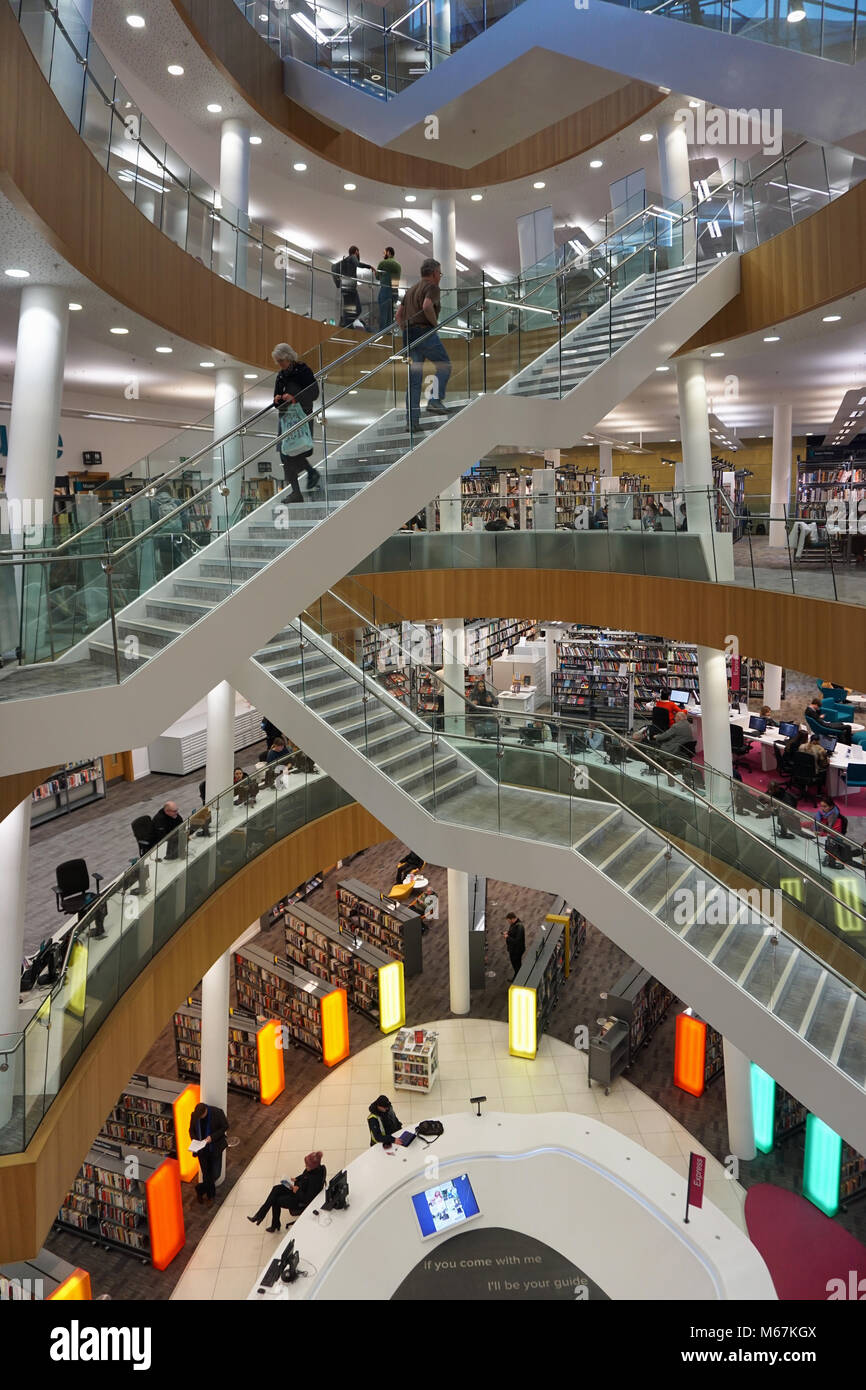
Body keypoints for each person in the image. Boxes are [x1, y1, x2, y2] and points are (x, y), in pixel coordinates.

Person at [396, 257, 451, 430]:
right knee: (444, 365)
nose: (440, 276)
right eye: (439, 273)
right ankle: (434, 400)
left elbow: (399, 315)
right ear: (434, 273)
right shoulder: (432, 287)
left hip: (409, 336)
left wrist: (406, 329)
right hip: (424, 332)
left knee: (414, 381)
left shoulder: (411, 290)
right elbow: (427, 306)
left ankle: (412, 422)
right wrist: (435, 325)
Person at [272, 343, 320, 499]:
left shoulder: (303, 371)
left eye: (281, 361)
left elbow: (314, 393)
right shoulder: (280, 376)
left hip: (301, 416)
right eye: (278, 361)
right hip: (286, 418)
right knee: (284, 453)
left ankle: (306, 480)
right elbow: (277, 402)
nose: (280, 364)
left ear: (289, 358)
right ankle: (299, 487)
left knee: (295, 450)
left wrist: (295, 398)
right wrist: (278, 399)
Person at [247, 1151, 326, 1233]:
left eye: (307, 1165)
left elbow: (307, 1199)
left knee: (276, 1201)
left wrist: (297, 1190)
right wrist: (296, 1179)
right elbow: (304, 1175)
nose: (305, 1166)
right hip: (297, 1188)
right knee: (276, 1189)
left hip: (299, 1199)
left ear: (313, 1166)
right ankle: (259, 1215)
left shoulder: (315, 1180)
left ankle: (274, 1224)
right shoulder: (315, 1168)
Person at [189, 1100, 228, 1204]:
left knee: (215, 1174)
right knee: (206, 1174)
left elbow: (225, 1126)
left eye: (201, 1116)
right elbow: (191, 1130)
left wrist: (212, 1137)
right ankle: (211, 1196)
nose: (200, 1118)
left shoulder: (217, 1113)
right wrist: (195, 1141)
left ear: (205, 1111)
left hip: (214, 1148)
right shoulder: (195, 1115)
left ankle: (200, 1189)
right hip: (201, 1151)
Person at [335, 245, 373, 327]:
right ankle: (346, 325)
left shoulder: (346, 260)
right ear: (356, 251)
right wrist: (369, 266)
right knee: (356, 309)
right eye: (358, 252)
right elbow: (358, 264)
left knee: (350, 309)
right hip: (350, 287)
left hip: (346, 287)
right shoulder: (352, 257)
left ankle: (347, 324)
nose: (358, 254)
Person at [376, 246, 402, 330]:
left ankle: (382, 334)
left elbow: (377, 276)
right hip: (395, 291)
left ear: (388, 253)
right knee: (390, 315)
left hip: (385, 289)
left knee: (383, 313)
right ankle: (389, 334)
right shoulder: (398, 265)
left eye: (384, 253)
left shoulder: (383, 263)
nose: (383, 255)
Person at [503, 912, 526, 980]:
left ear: (512, 919)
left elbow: (517, 941)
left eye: (509, 921)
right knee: (516, 964)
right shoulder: (515, 924)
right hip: (514, 949)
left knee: (516, 965)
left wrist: (507, 937)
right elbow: (513, 932)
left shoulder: (519, 927)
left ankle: (518, 979)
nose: (509, 923)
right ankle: (517, 977)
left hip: (517, 950)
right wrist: (508, 932)